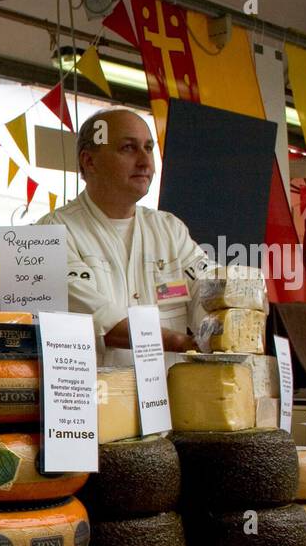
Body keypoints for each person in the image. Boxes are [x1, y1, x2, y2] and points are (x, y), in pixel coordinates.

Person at [39, 109, 205, 364]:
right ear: (89, 161)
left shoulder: (171, 231)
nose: (145, 162)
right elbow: (97, 318)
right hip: (95, 400)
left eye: (148, 148)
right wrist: (181, 342)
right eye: (128, 148)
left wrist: (230, 316)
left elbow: (208, 288)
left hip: (171, 401)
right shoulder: (51, 234)